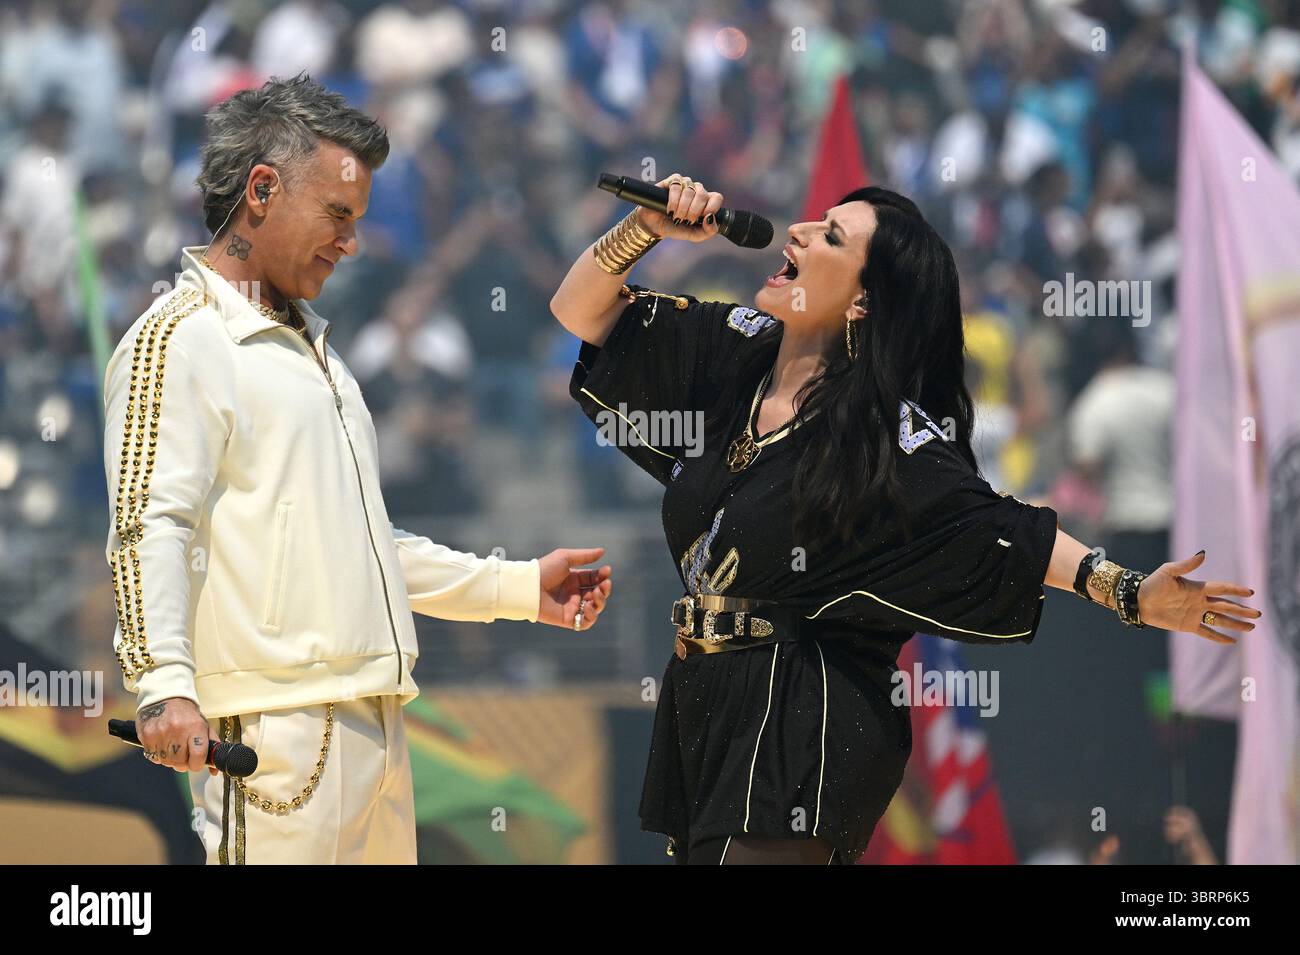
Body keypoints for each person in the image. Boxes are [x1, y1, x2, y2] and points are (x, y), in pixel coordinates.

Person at [550, 172, 1260, 865]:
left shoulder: (883, 435)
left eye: (830, 235)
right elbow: (580, 312)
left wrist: (1131, 592)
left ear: (864, 301)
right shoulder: (731, 350)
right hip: (710, 709)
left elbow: (997, 528)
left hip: (807, 720)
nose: (798, 229)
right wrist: (645, 228)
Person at [102, 74, 613, 865]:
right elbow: (147, 524)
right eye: (338, 214)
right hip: (267, 731)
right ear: (262, 189)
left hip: (376, 721)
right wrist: (165, 683)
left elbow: (368, 541)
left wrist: (516, 588)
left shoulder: (324, 356)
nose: (351, 241)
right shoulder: (179, 336)